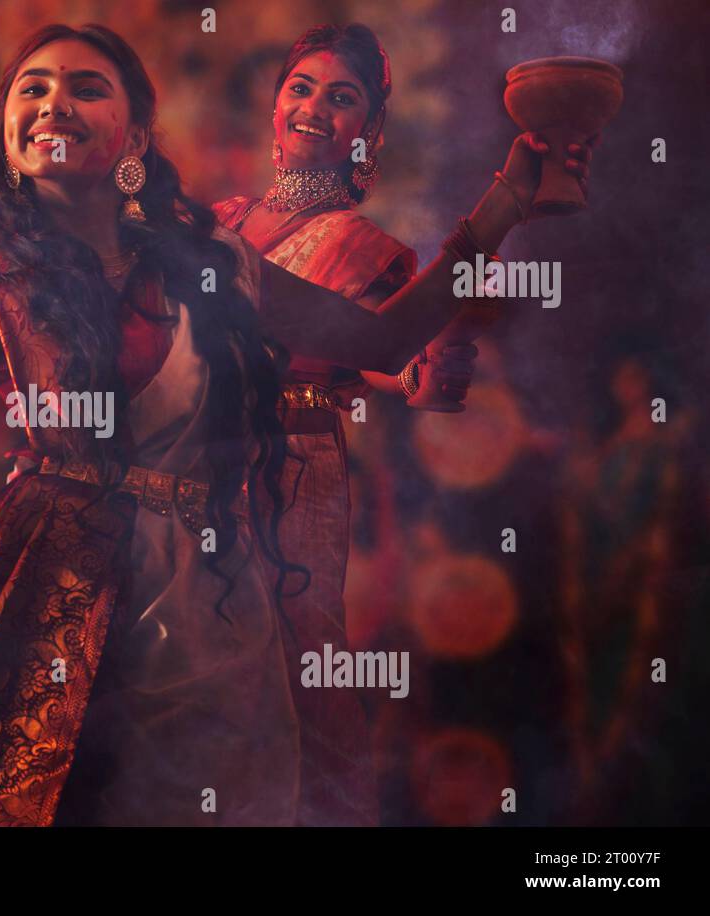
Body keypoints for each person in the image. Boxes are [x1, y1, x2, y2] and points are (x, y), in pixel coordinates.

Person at [0, 23, 594, 826]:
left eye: (86, 86)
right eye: (34, 88)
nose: (55, 102)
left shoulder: (220, 266)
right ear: (12, 141)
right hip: (41, 592)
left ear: (134, 139)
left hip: (206, 601)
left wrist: (505, 206)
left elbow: (386, 335)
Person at [211, 23, 593, 826]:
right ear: (277, 105)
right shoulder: (218, 223)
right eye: (302, 87)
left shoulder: (363, 248)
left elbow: (391, 368)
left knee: (288, 677)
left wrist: (438, 356)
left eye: (342, 97)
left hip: (289, 476)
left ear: (368, 135)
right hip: (184, 468)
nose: (315, 106)